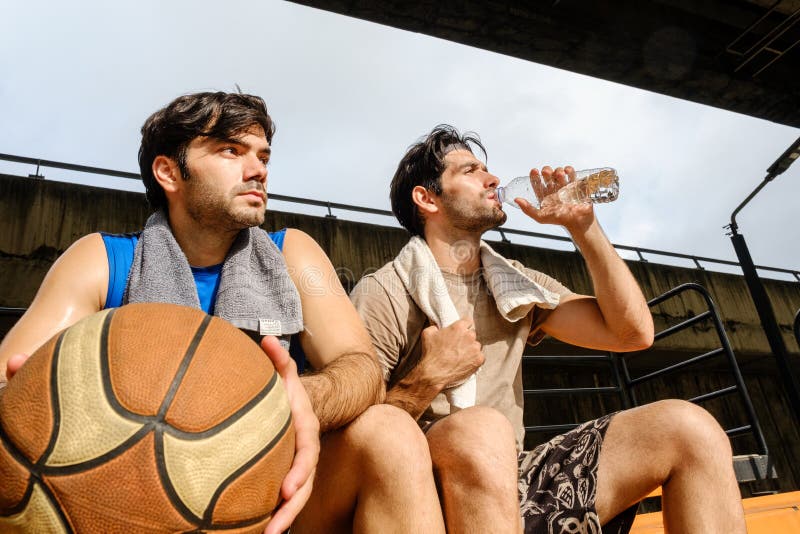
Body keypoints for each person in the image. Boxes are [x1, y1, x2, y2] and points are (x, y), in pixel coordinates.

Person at [0, 92, 446, 533]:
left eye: (263, 156)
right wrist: (40, 395)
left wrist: (278, 403)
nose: (258, 170)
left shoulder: (293, 254)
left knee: (390, 430)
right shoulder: (103, 260)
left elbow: (363, 370)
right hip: (128, 496)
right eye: (231, 151)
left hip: (273, 498)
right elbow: (9, 378)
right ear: (169, 172)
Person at [350, 124, 747, 533]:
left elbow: (632, 333)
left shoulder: (514, 286)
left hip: (515, 480)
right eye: (470, 171)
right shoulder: (384, 292)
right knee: (478, 430)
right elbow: (356, 442)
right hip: (425, 497)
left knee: (689, 428)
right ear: (426, 198)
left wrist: (583, 228)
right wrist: (427, 376)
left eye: (487, 169)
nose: (493, 180)